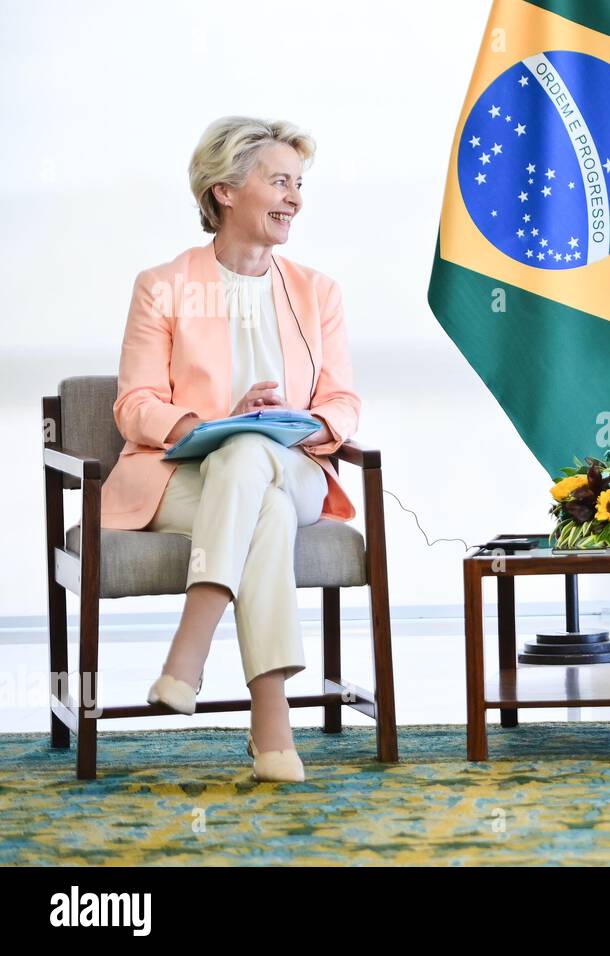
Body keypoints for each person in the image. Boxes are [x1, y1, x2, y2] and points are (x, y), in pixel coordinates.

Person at [100, 117, 361, 782]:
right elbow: (134, 405)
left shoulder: (316, 291)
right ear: (223, 191)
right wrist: (219, 420)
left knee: (252, 460)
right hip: (184, 479)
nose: (295, 199)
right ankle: (272, 726)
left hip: (295, 467)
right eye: (279, 182)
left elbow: (344, 403)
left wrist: (293, 418)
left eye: (299, 185)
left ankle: (189, 652)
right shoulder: (162, 285)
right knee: (257, 501)